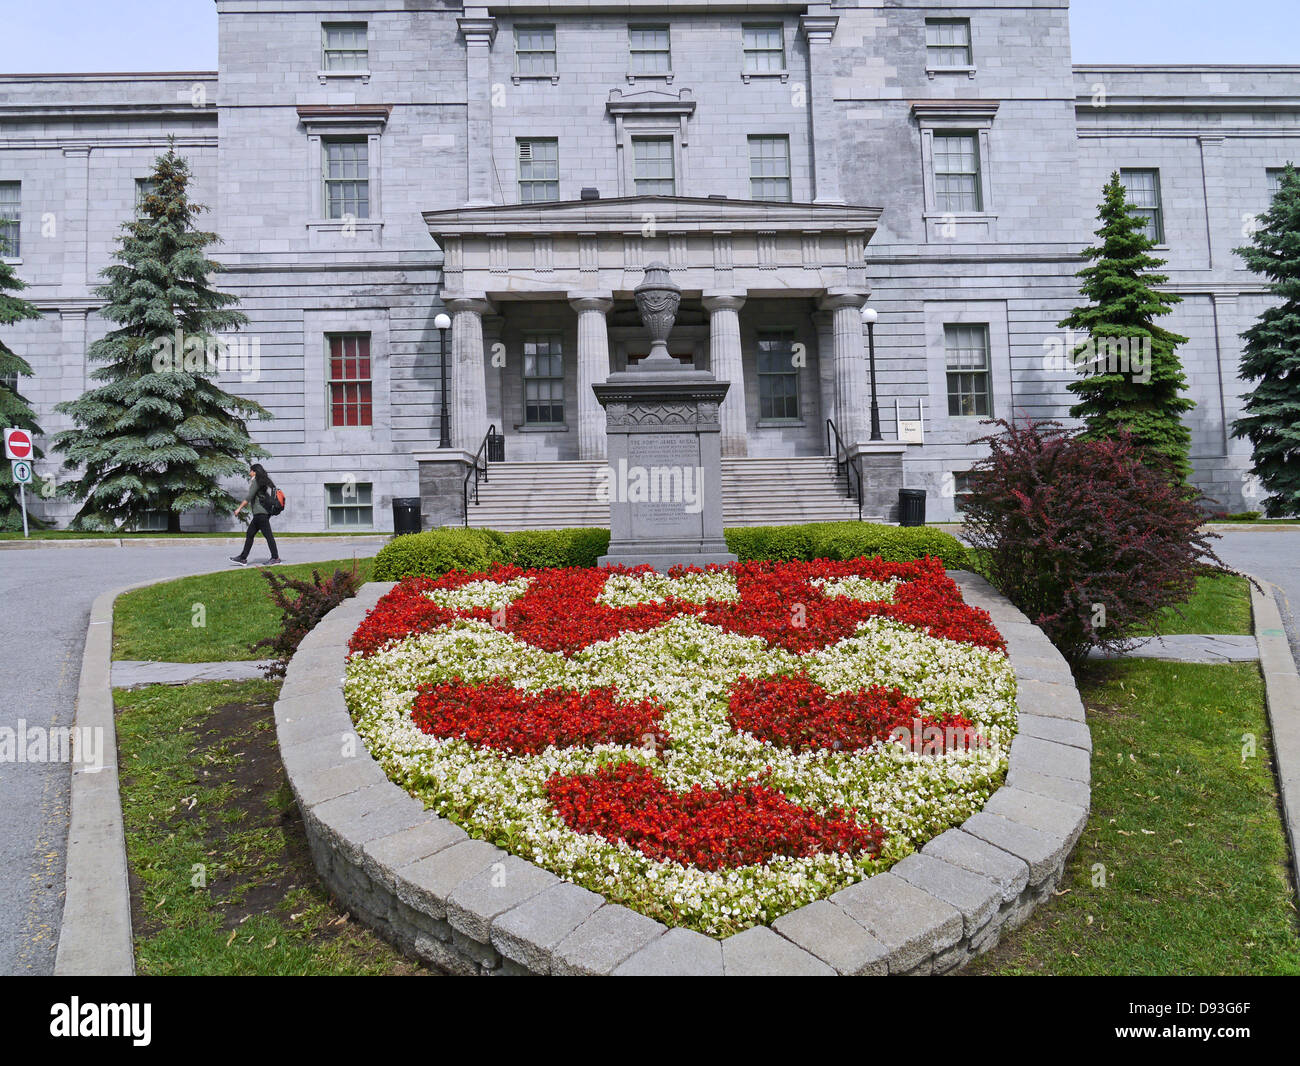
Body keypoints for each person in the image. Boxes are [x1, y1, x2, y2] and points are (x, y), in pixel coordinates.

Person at [230, 463, 282, 565]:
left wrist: (238, 509)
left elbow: (249, 497)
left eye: (250, 471)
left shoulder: (256, 482)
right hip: (261, 513)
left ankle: (275, 558)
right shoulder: (263, 481)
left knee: (268, 536)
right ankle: (243, 558)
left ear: (254, 472)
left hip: (260, 514)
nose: (249, 473)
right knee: (250, 534)